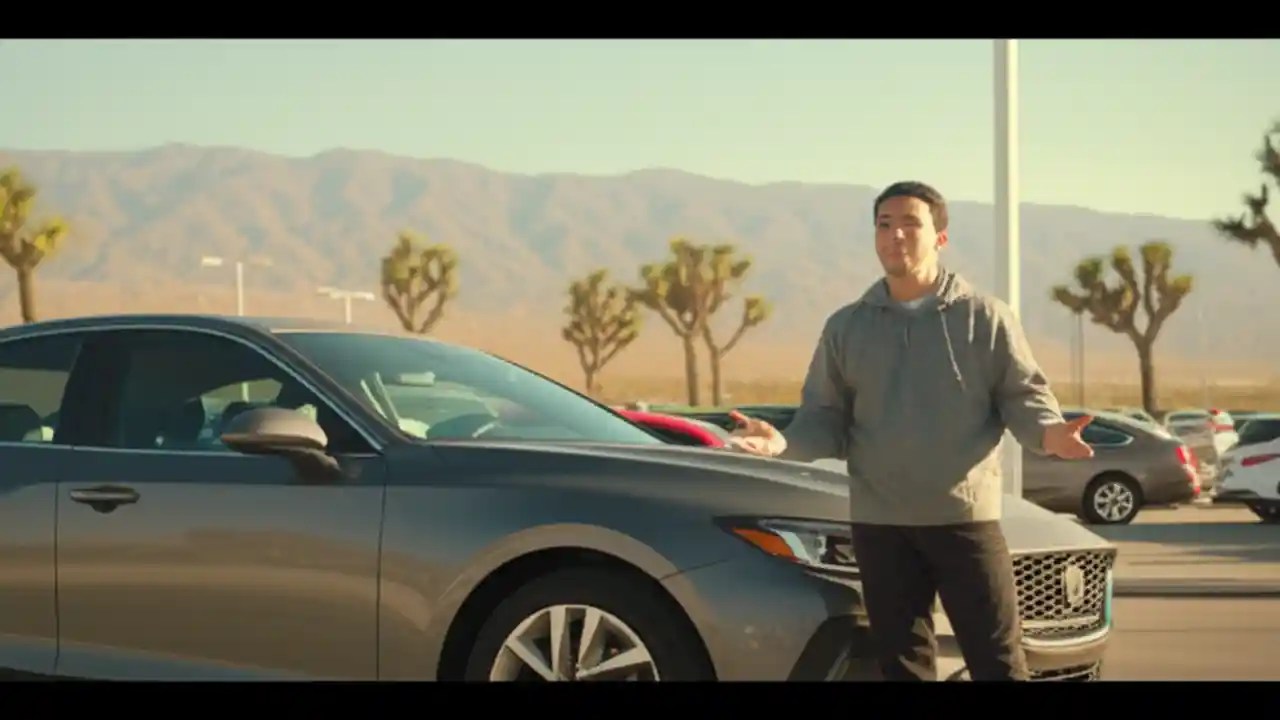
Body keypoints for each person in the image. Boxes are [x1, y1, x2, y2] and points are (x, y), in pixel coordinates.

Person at [725, 180, 1094, 682]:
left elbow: (1022, 398)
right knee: (902, 668)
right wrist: (783, 441)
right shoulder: (847, 327)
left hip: (964, 520)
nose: (895, 234)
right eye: (884, 224)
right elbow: (825, 418)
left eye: (910, 223)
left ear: (940, 237)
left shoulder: (983, 318)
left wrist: (1051, 434)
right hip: (882, 526)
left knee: (998, 662)